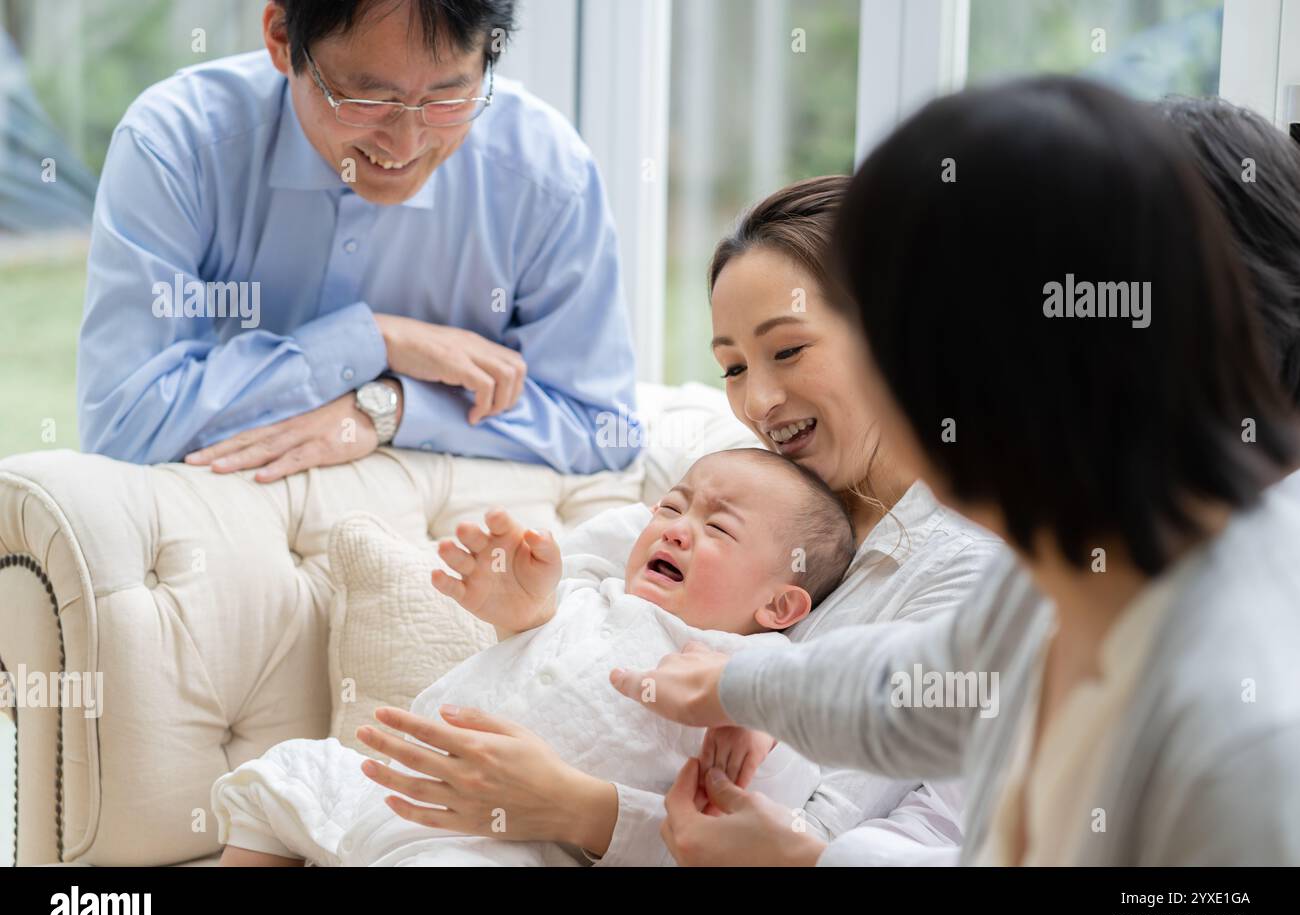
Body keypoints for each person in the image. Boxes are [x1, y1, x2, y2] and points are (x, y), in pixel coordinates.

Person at [613, 76, 1300, 865]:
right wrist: (737, 688)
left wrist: (806, 863)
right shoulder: (1074, 548)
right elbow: (927, 689)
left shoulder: (1247, 724)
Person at [349, 176, 1004, 866]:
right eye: (732, 367)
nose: (759, 400)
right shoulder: (736, 476)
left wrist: (575, 806)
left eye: (787, 351)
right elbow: (574, 608)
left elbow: (810, 843)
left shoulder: (962, 578)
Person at [77, 0, 638, 478]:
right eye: (367, 100)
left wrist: (389, 405)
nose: (404, 144)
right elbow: (123, 426)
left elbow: (602, 428)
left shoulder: (544, 173)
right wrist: (373, 340)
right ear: (280, 38)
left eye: (449, 98)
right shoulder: (177, 146)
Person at [211, 449, 848, 865]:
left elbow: (777, 807)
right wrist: (515, 606)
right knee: (284, 774)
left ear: (780, 606)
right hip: (387, 789)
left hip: (505, 845)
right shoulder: (590, 591)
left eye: (719, 529)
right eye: (672, 507)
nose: (676, 529)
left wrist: (754, 713)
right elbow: (532, 633)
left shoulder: (746, 667)